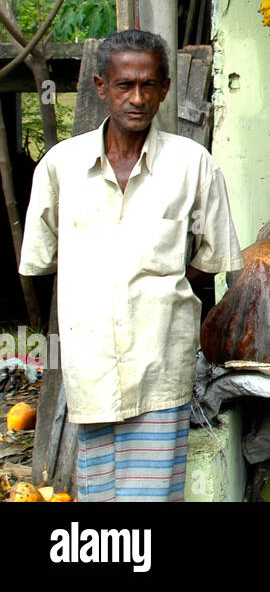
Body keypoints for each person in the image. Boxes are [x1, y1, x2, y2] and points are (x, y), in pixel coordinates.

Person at [18, 30, 243, 501]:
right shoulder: (60, 167)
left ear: (164, 88)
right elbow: (42, 260)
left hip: (161, 358)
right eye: (124, 85)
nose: (136, 98)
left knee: (154, 495)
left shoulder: (193, 165)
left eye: (148, 85)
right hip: (91, 366)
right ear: (101, 86)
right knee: (100, 497)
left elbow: (214, 256)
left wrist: (157, 292)